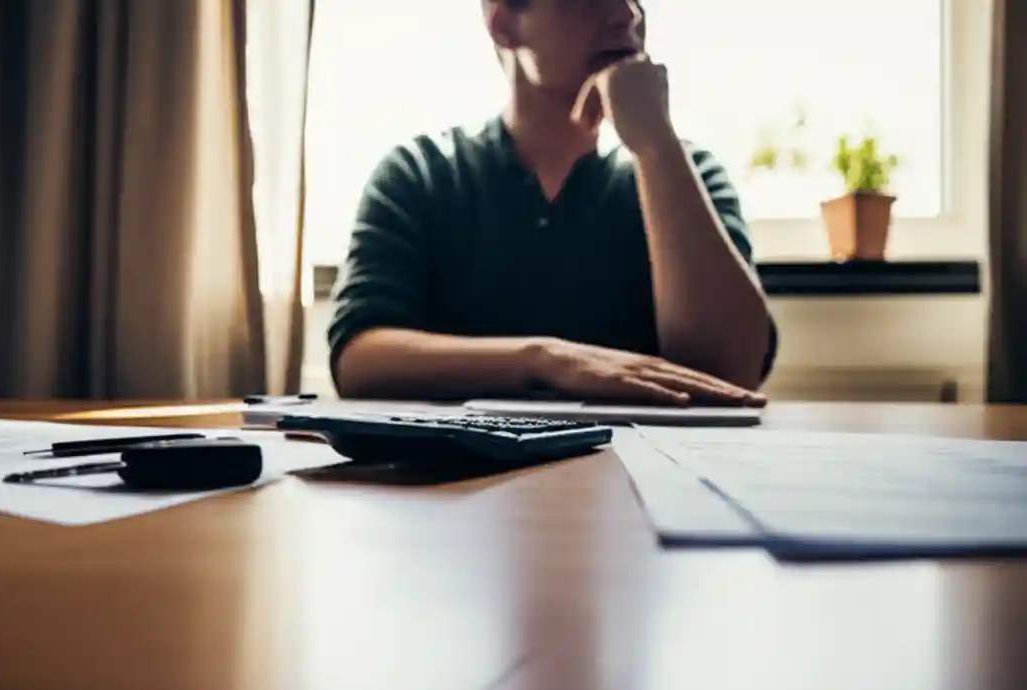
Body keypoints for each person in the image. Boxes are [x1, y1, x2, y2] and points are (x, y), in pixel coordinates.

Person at [327, 0, 777, 406]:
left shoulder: (687, 173)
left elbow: (732, 371)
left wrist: (657, 144)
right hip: (461, 470)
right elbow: (358, 358)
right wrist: (546, 360)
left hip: (645, 466)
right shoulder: (419, 173)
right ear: (504, 23)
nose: (628, 15)